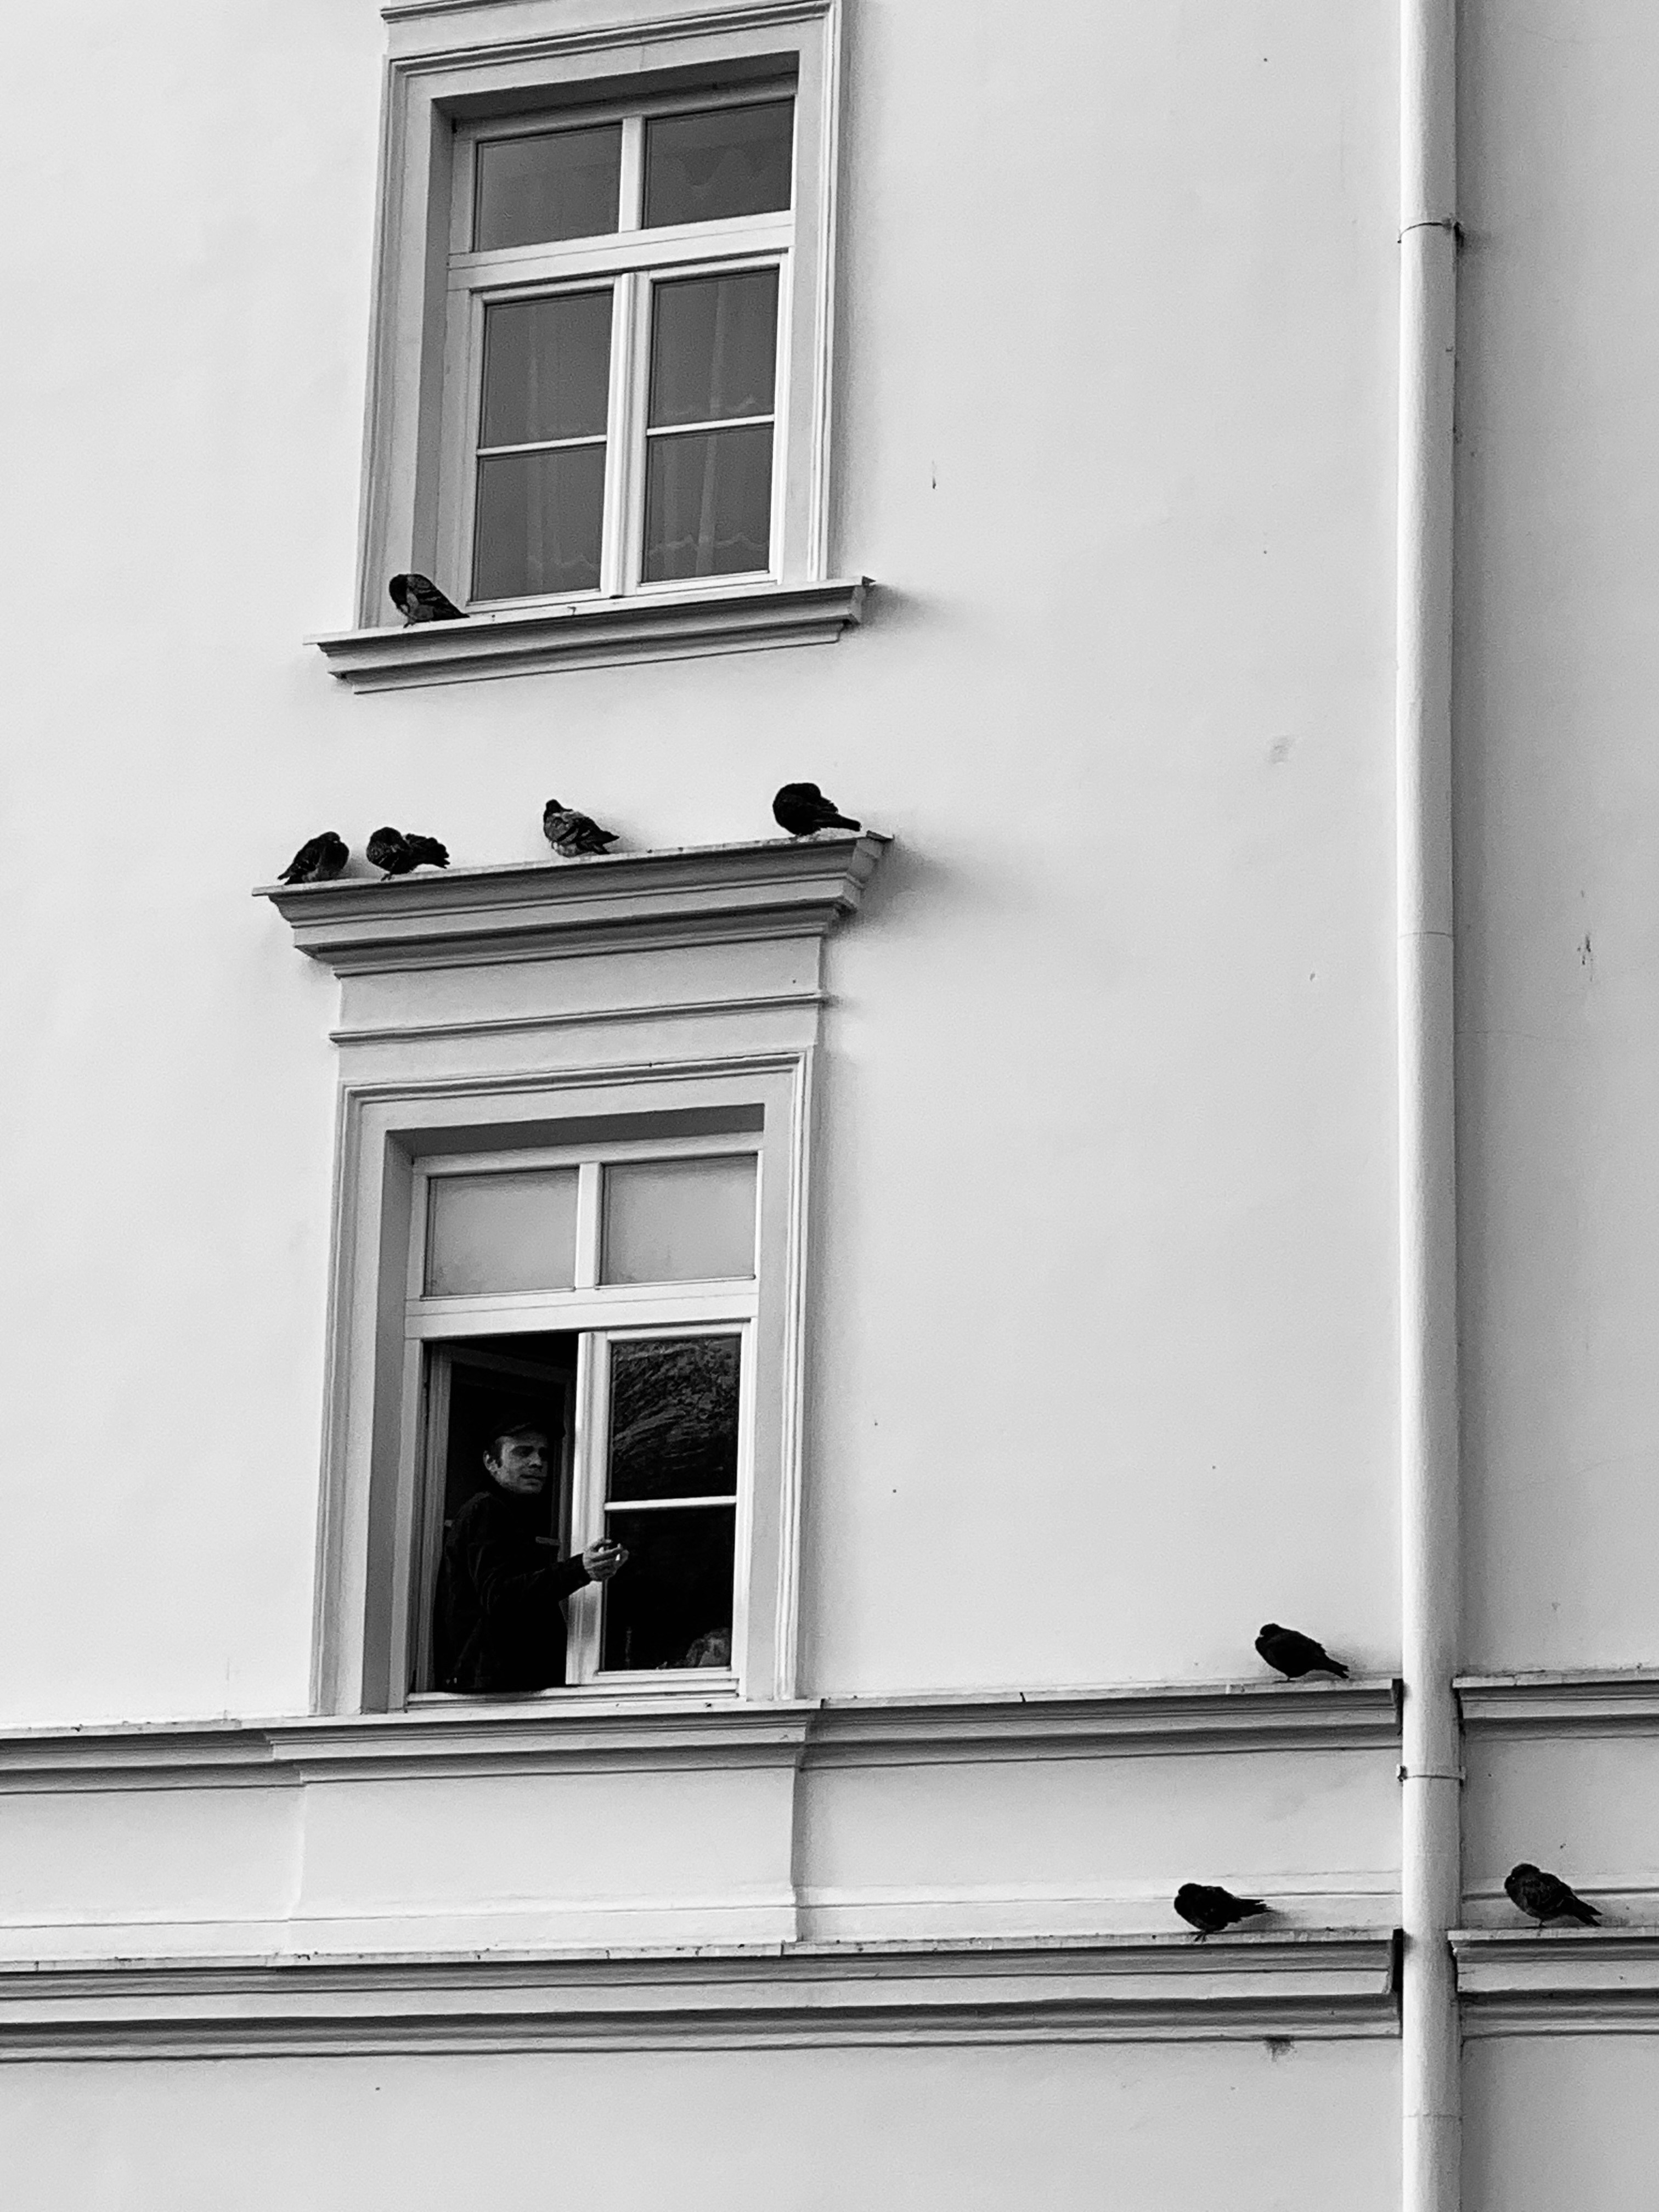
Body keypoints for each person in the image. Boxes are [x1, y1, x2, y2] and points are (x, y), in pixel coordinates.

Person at [434, 1418, 627, 1692]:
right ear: (491, 1462)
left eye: (544, 1455)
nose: (538, 1463)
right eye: (523, 1452)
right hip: (496, 1692)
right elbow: (499, 1596)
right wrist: (580, 1569)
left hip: (501, 1688)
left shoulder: (505, 1514)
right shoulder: (488, 1510)